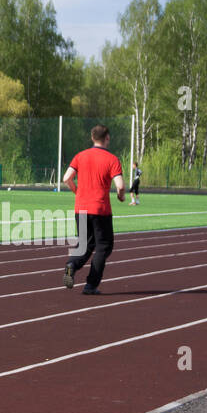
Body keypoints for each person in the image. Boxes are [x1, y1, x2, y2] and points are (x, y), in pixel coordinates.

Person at [62, 125, 125, 296]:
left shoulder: (80, 156)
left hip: (81, 208)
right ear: (107, 138)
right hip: (100, 209)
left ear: (92, 138)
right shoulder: (112, 159)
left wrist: (77, 191)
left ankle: (72, 265)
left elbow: (66, 178)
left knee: (85, 244)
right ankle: (90, 285)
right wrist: (121, 196)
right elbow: (120, 185)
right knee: (103, 247)